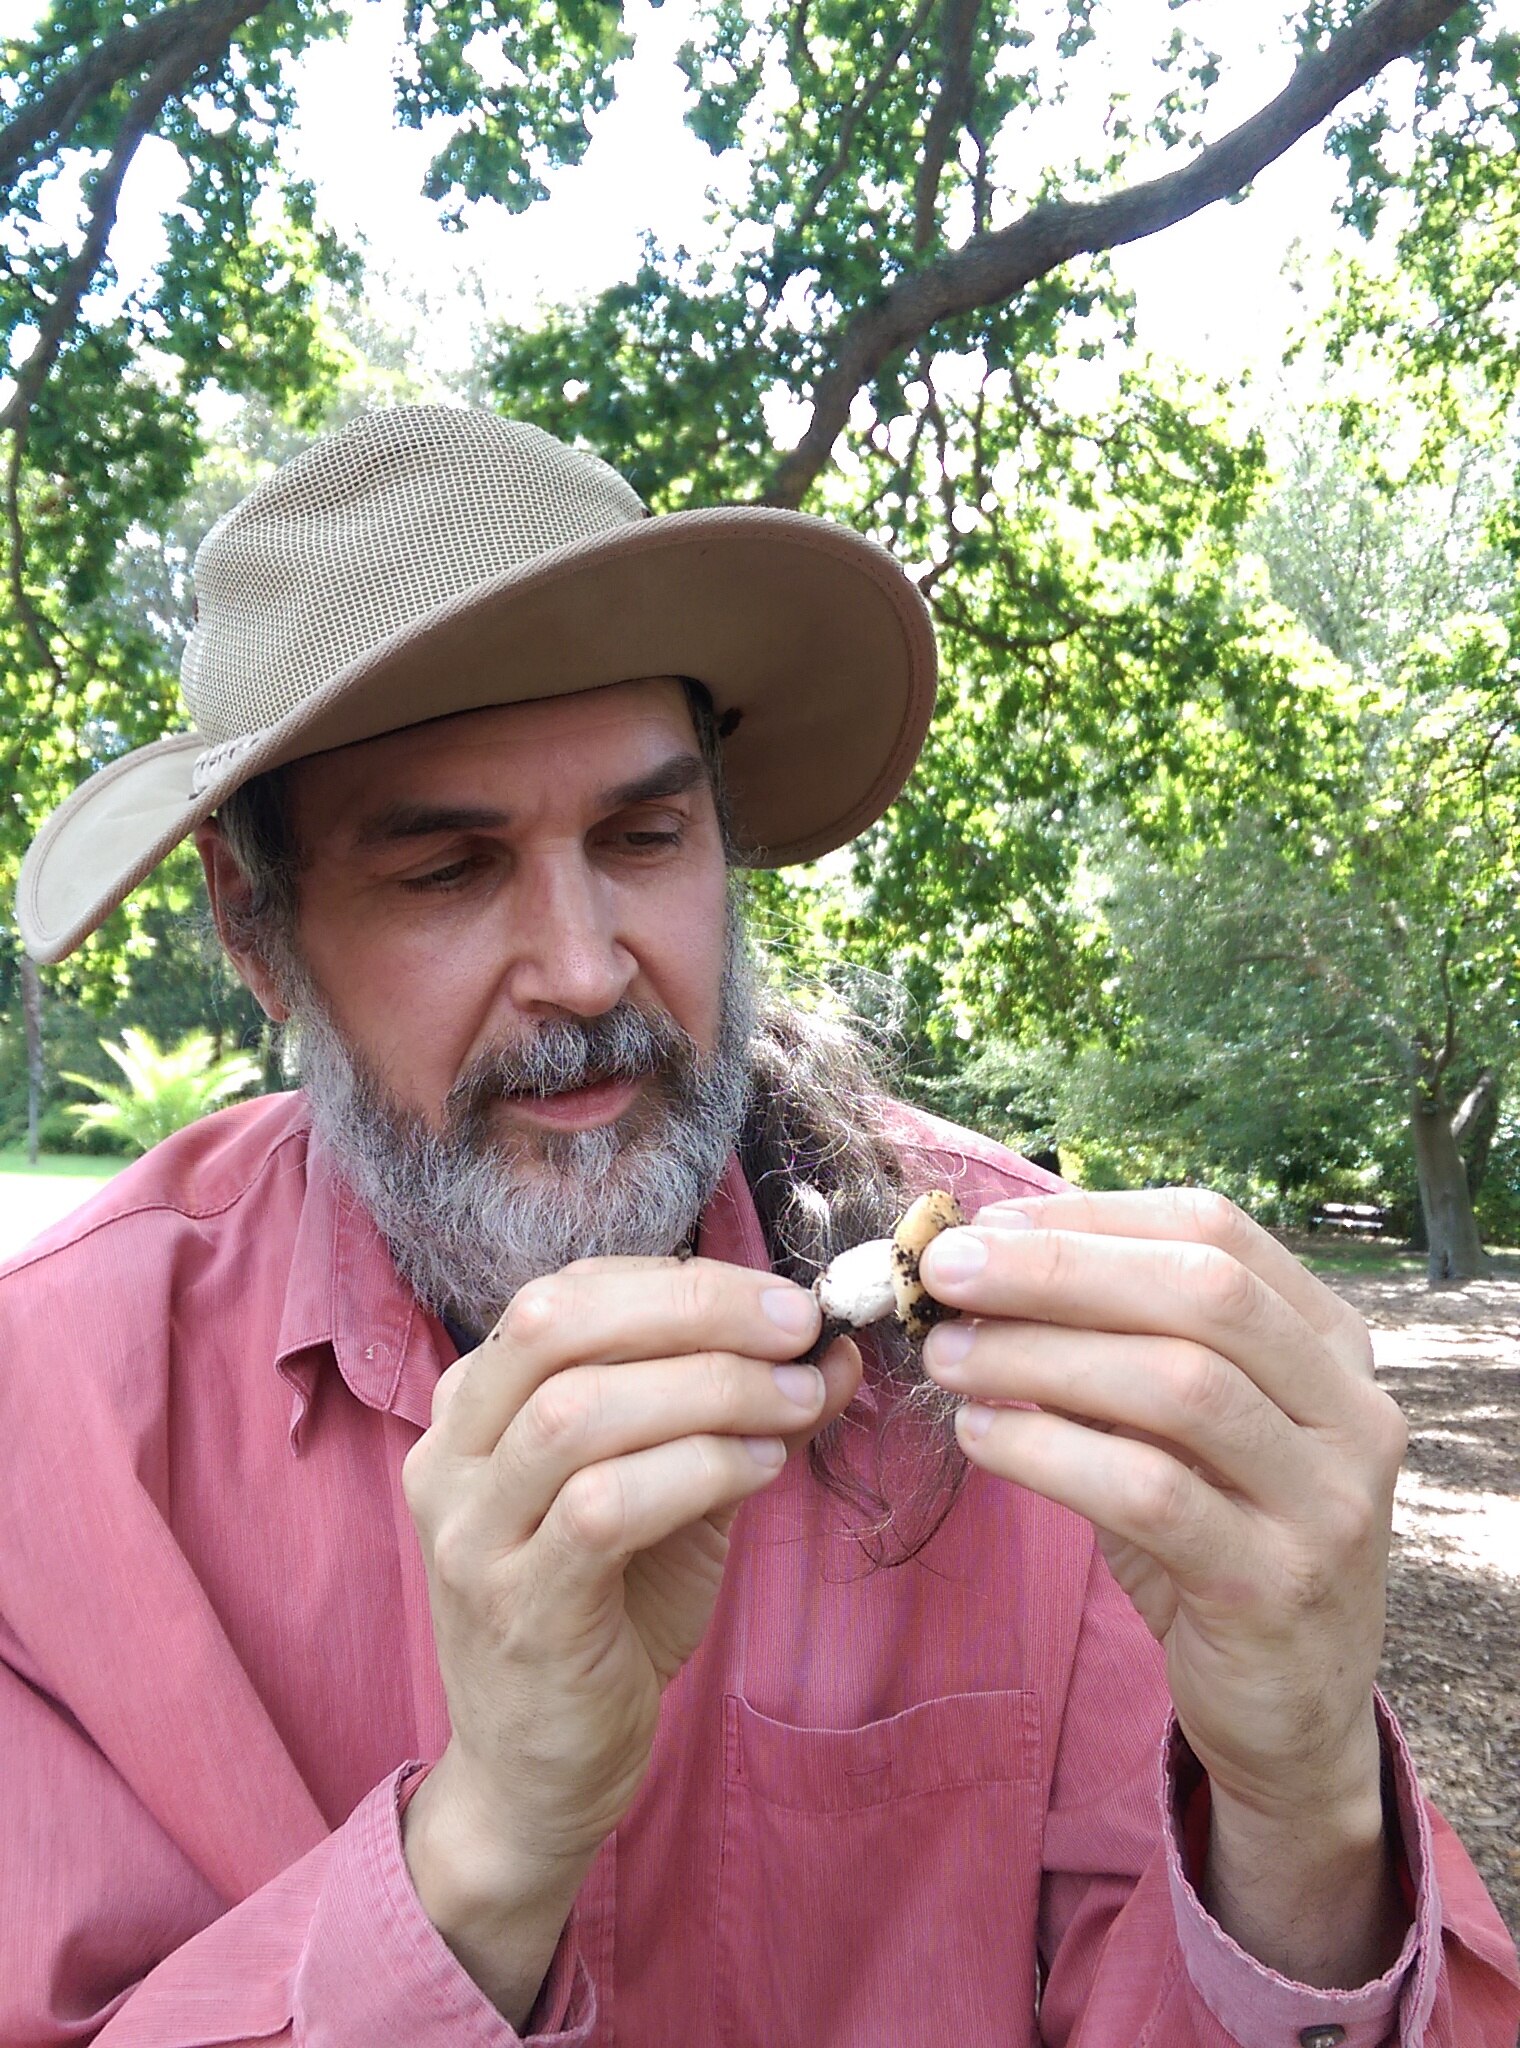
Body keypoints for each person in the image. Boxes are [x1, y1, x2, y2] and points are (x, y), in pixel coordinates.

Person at [4, 404, 1516, 2048]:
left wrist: (1301, 1807)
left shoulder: (1053, 1351)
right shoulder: (48, 1433)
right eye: (446, 869)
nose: (585, 969)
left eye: (645, 836)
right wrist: (493, 1846)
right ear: (254, 923)